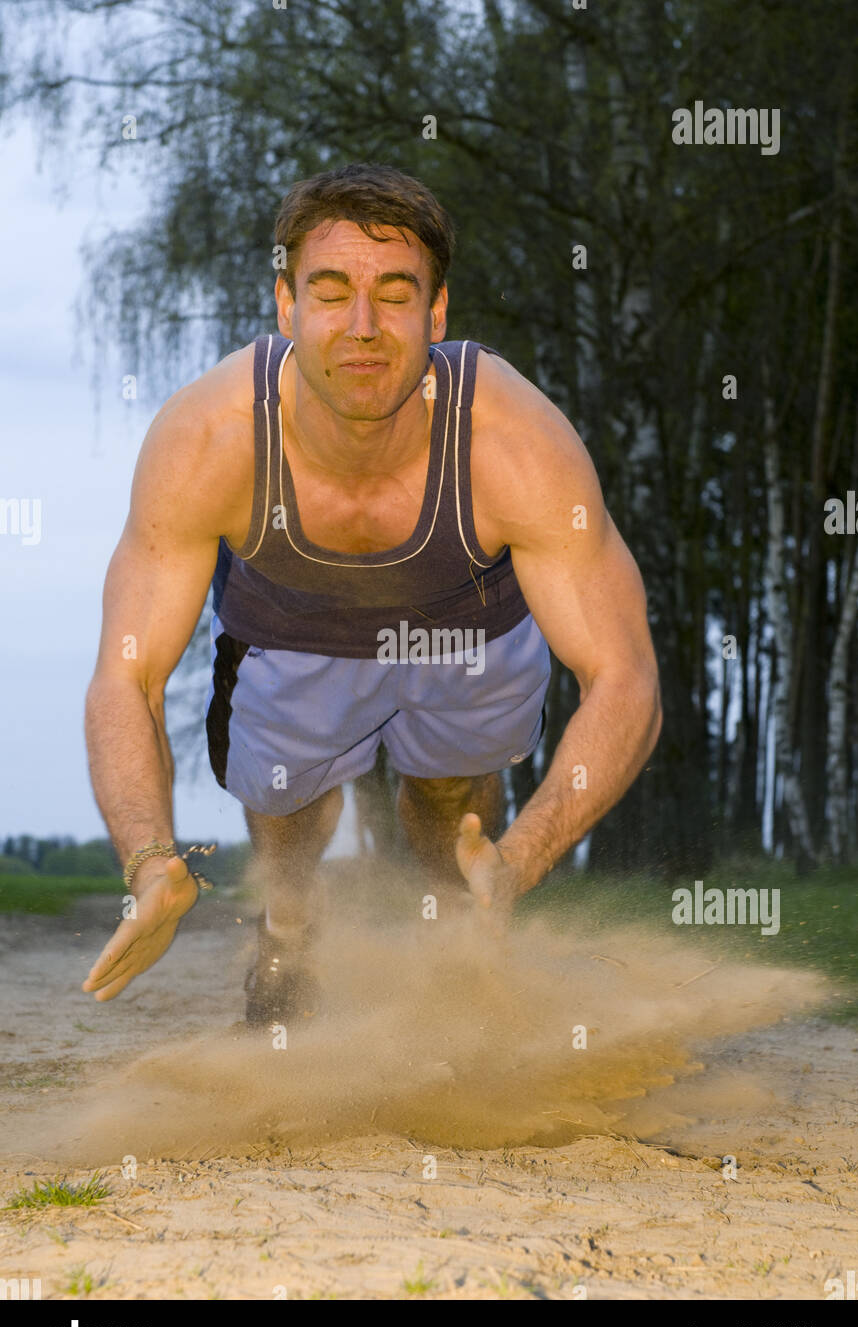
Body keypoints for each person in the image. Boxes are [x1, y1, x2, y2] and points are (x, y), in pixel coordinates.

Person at [83, 162, 662, 1023]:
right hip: (289, 634)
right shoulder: (208, 438)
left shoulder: (514, 442)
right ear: (285, 307)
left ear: (436, 314)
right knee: (286, 794)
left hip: (466, 631)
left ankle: (463, 934)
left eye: (394, 295)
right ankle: (286, 934)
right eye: (330, 292)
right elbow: (126, 675)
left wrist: (523, 856)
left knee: (449, 803)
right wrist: (150, 860)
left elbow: (625, 680)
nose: (363, 327)